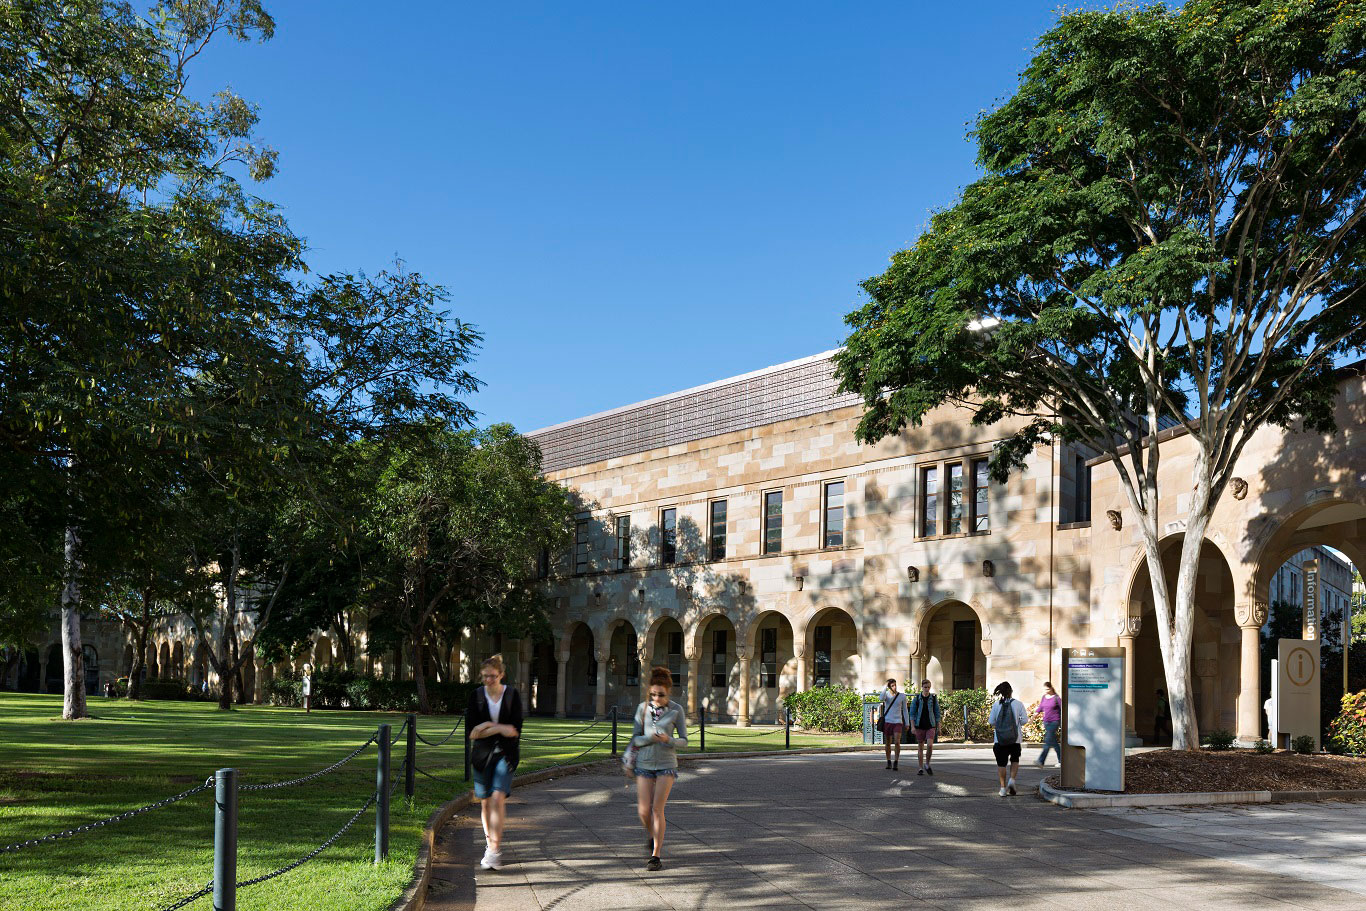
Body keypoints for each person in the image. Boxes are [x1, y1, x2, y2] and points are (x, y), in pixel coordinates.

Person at [466, 654, 524, 872]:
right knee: (486, 802)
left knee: (498, 798)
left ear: (501, 675)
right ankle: (490, 846)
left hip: (506, 756)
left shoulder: (511, 695)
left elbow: (514, 731)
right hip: (482, 757)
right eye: (484, 677)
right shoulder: (477, 696)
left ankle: (495, 849)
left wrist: (489, 726)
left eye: (492, 676)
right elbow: (472, 733)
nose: (488, 680)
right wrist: (498, 727)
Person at [631, 666, 688, 872]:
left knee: (657, 808)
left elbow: (684, 741)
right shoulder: (642, 709)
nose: (656, 698)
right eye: (653, 694)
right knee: (643, 811)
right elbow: (635, 738)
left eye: (661, 695)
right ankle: (653, 835)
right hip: (644, 764)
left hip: (666, 765)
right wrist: (649, 738)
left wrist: (668, 739)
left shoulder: (676, 710)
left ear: (668, 692)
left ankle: (656, 854)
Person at [988, 681, 1028, 796]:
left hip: (999, 740)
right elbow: (1025, 720)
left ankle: (1002, 788)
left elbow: (991, 721)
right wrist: (1017, 721)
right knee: (1015, 759)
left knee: (1002, 764)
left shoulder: (996, 704)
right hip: (1015, 739)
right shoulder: (1018, 704)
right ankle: (1012, 780)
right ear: (1011, 692)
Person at [908, 679, 941, 776]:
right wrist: (913, 727)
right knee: (920, 747)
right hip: (919, 725)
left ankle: (927, 764)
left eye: (928, 687)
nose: (927, 689)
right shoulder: (917, 698)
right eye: (925, 687)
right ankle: (920, 768)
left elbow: (937, 713)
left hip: (930, 725)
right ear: (922, 687)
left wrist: (939, 725)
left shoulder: (933, 698)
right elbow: (912, 714)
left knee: (930, 745)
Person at [879, 678, 909, 770]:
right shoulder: (886, 695)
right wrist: (885, 686)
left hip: (898, 722)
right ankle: (888, 761)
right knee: (888, 742)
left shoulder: (902, 696)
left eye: (895, 685)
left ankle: (896, 761)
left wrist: (907, 723)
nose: (894, 687)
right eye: (892, 685)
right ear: (889, 687)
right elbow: (881, 698)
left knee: (897, 741)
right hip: (888, 721)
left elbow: (905, 710)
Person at [1036, 681, 1061, 767]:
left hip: (1055, 721)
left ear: (1051, 688)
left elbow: (1063, 709)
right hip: (1046, 722)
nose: (1045, 691)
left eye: (1047, 689)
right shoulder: (1044, 697)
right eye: (1044, 689)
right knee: (1053, 742)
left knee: (1047, 741)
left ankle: (1040, 761)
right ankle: (1061, 761)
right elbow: (1040, 707)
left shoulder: (1057, 698)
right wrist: (1033, 717)